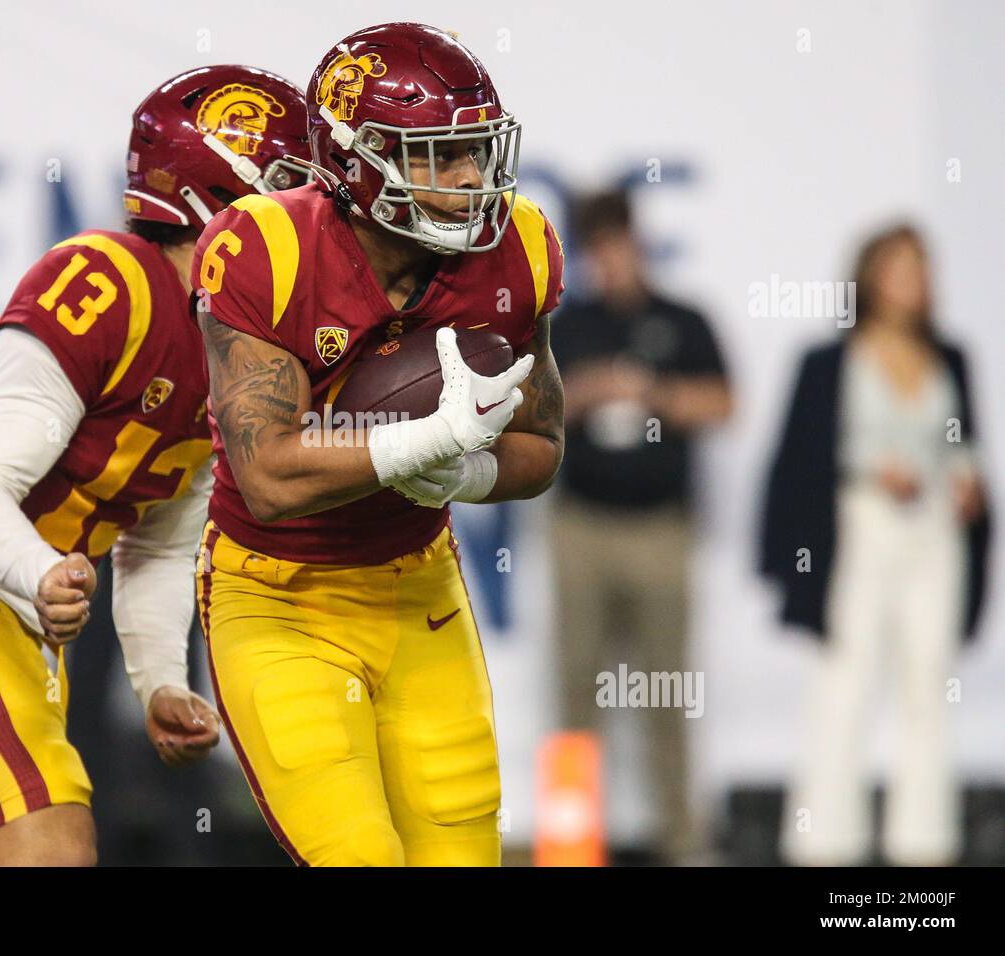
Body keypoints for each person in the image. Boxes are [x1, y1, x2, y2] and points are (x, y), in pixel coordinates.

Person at [0, 66, 311, 866]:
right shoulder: (110, 286)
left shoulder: (234, 348)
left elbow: (156, 543)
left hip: (15, 617)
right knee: (54, 844)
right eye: (288, 198)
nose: (308, 227)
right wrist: (38, 572)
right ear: (215, 207)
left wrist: (158, 679)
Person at [193, 23, 566, 866]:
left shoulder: (520, 247)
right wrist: (422, 441)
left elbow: (543, 444)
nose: (472, 177)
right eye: (438, 156)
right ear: (359, 162)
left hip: (415, 583)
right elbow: (268, 479)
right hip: (277, 593)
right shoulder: (269, 249)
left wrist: (465, 473)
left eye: (476, 149)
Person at [761, 223, 992, 866]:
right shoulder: (830, 362)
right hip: (858, 528)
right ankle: (825, 845)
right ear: (867, 276)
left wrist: (969, 487)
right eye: (896, 268)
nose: (909, 282)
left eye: (919, 268)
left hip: (935, 533)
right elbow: (799, 462)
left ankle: (924, 847)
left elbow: (961, 446)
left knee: (928, 686)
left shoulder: (951, 359)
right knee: (843, 683)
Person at [548, 190, 731, 863]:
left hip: (660, 530)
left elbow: (722, 403)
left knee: (666, 692)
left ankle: (682, 841)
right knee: (574, 692)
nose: (612, 261)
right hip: (582, 529)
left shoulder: (683, 321)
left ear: (638, 243)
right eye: (599, 250)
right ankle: (569, 845)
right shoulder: (568, 327)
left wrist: (651, 393)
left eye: (620, 245)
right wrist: (588, 392)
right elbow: (526, 413)